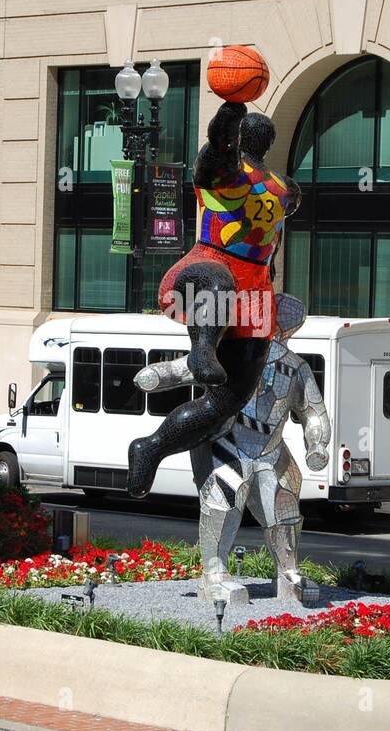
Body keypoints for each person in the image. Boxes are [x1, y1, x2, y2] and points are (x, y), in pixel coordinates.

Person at [125, 100, 300, 498]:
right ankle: (201, 349)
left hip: (253, 291)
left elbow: (220, 149)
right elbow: (218, 148)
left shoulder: (282, 187)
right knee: (218, 284)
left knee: (226, 402)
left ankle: (151, 447)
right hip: (205, 270)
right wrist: (230, 110)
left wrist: (231, 113)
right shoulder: (228, 172)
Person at [134, 295, 329, 603]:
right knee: (225, 498)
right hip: (227, 441)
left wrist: (316, 442)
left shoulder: (296, 367)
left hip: (271, 448)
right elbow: (186, 368)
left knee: (284, 504)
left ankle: (288, 571)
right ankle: (214, 574)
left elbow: (314, 412)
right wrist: (160, 375)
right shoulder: (230, 355)